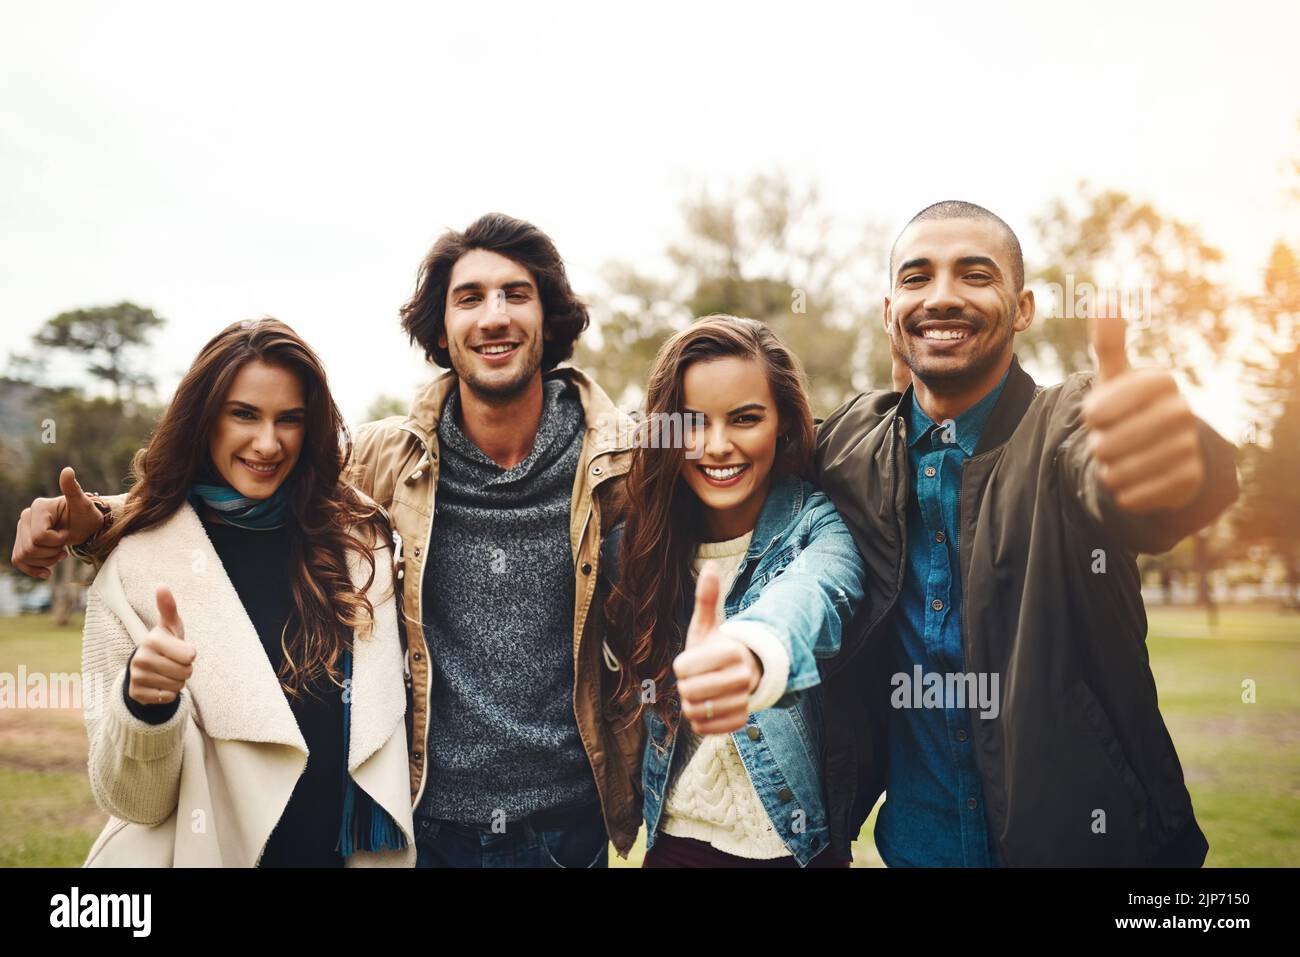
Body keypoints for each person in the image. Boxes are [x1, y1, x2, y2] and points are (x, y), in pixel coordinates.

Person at [15, 214, 676, 866]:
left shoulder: (622, 461)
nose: (494, 315)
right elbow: (250, 486)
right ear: (441, 333)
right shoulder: (391, 458)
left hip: (566, 829)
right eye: (469, 297)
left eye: (516, 293)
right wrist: (100, 519)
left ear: (549, 319)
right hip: (424, 825)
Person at [814, 201, 1239, 866]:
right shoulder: (850, 445)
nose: (944, 296)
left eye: (975, 275)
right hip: (914, 850)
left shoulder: (1066, 423)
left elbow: (1118, 472)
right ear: (889, 308)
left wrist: (1166, 465)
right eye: (918, 277)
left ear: (1023, 307)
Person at [77, 318, 413, 866]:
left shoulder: (360, 541)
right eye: (244, 414)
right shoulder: (134, 565)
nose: (267, 443)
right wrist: (145, 706)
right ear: (203, 418)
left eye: (290, 420)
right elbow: (130, 801)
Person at [601, 315, 867, 867]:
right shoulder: (635, 547)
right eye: (693, 424)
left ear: (783, 425)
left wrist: (751, 654)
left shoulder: (818, 529)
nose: (717, 447)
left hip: (798, 851)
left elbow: (816, 594)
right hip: (675, 846)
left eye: (745, 419)